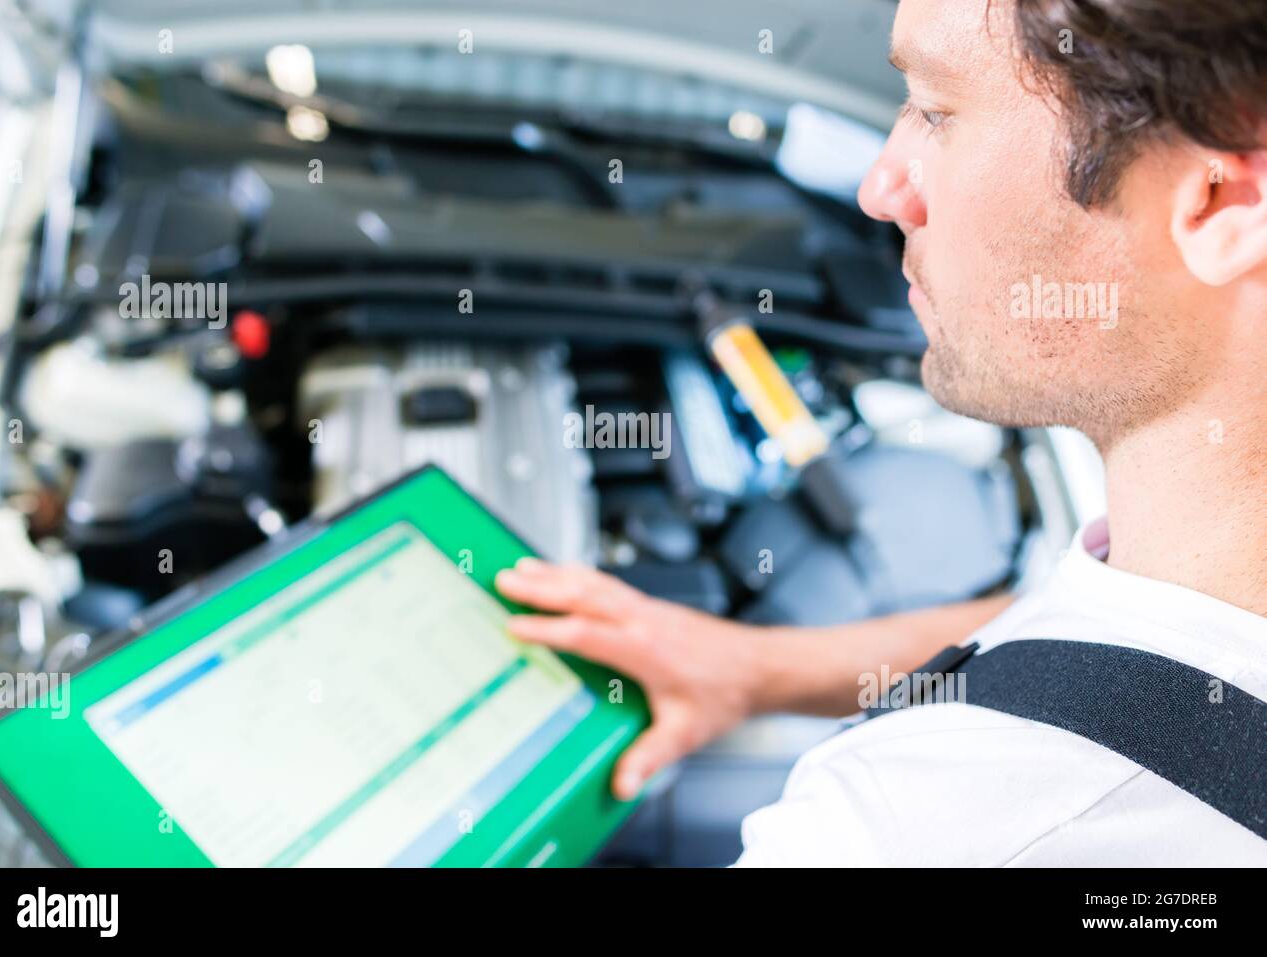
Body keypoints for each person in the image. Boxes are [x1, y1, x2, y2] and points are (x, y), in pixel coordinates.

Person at [495, 0, 1267, 865]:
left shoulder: (903, 831)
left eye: (937, 112)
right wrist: (752, 670)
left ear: (1221, 201)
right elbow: (1082, 646)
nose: (881, 186)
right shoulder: (1192, 567)